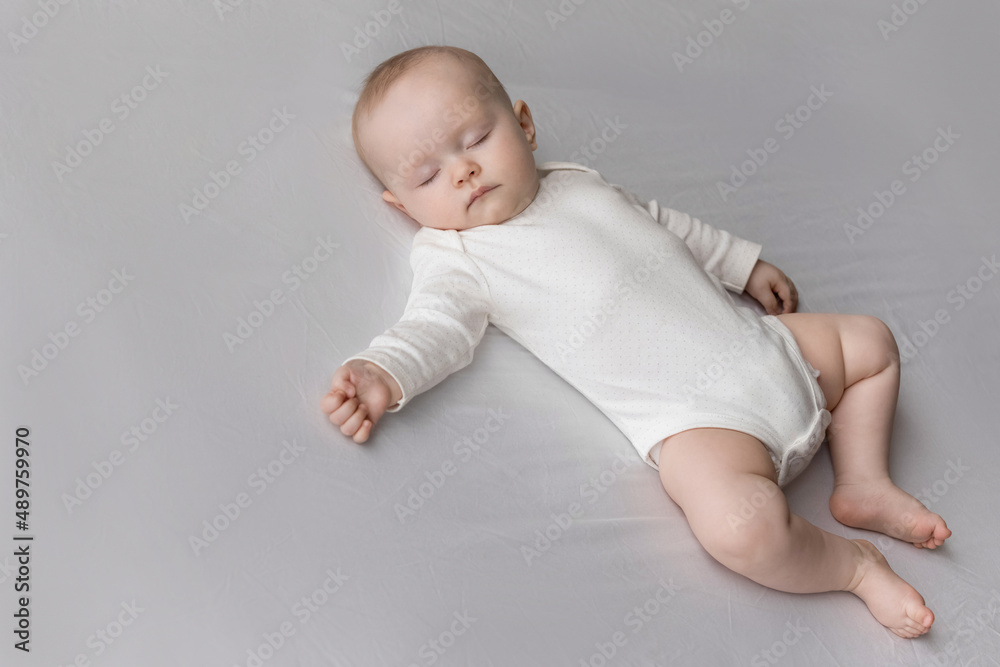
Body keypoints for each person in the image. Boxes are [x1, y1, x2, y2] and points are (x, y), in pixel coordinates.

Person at [321, 45, 951, 638]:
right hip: (701, 424)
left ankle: (863, 482)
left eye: (477, 139)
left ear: (524, 124)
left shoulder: (574, 179)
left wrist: (742, 266)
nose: (464, 172)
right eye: (429, 175)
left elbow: (663, 226)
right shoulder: (460, 256)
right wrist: (384, 371)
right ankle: (855, 567)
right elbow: (436, 324)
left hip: (764, 345)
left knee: (871, 344)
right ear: (401, 205)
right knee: (740, 532)